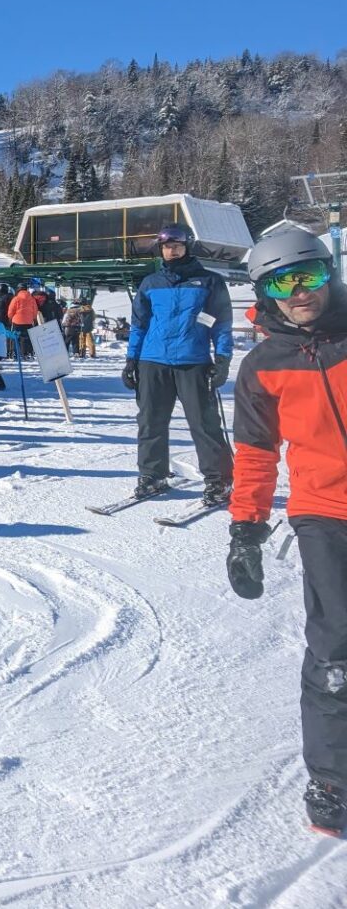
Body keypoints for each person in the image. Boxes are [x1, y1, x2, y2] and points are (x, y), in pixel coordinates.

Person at [226, 227, 347, 836]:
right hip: (325, 512)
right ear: (265, 291)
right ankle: (333, 778)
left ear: (331, 273)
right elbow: (254, 451)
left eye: (310, 276)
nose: (300, 292)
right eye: (282, 281)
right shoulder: (265, 364)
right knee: (336, 647)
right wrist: (246, 528)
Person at [123, 222, 234, 505]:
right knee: (150, 422)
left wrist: (222, 359)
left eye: (177, 246)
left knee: (204, 423)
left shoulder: (209, 281)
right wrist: (131, 360)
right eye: (167, 247)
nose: (172, 251)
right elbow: (139, 325)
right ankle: (153, 475)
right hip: (153, 361)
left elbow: (222, 324)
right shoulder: (151, 284)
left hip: (193, 361)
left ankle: (218, 480)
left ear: (187, 247)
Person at [7, 284, 39, 360]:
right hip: (28, 321)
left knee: (15, 338)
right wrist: (33, 318)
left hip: (17, 321)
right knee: (27, 338)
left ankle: (15, 354)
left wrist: (10, 318)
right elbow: (35, 310)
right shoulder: (32, 299)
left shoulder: (16, 298)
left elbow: (11, 310)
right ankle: (27, 353)